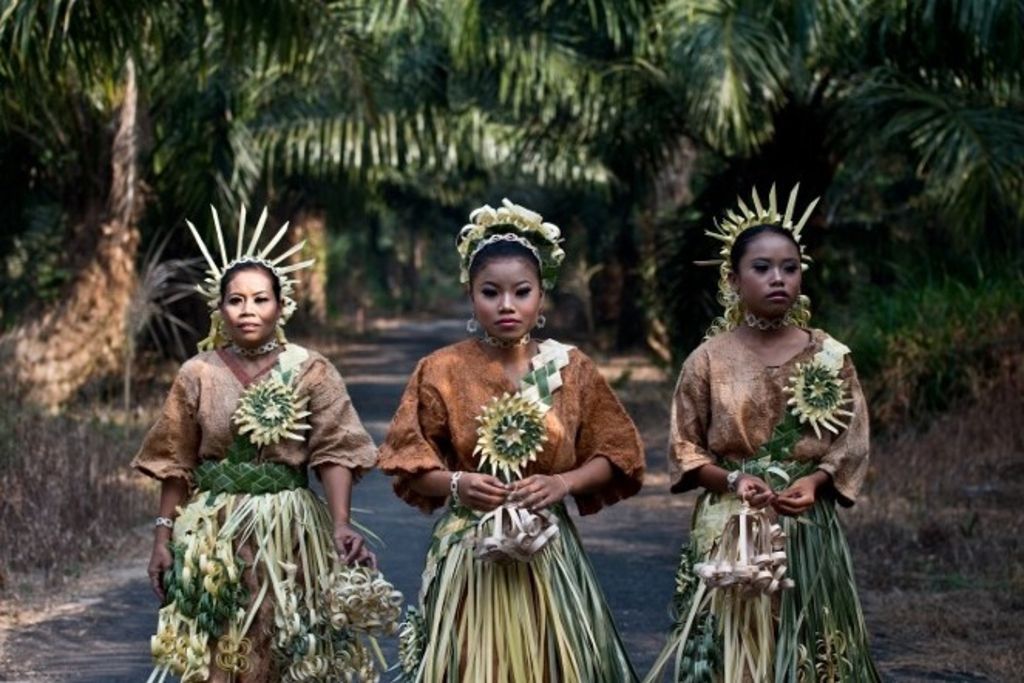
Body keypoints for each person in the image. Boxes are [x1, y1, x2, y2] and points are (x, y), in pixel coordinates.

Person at [379, 199, 646, 683]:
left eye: (521, 292)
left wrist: (563, 484)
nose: (507, 305)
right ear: (469, 294)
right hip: (470, 551)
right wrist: (457, 484)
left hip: (546, 550)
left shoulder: (572, 368)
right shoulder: (441, 369)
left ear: (542, 295)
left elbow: (618, 453)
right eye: (490, 292)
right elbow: (408, 459)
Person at [132, 206, 401, 683]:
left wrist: (340, 525)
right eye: (236, 300)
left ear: (281, 306)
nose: (248, 310)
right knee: (221, 649)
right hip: (212, 537)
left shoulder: (310, 369)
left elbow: (335, 451)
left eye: (260, 299)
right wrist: (162, 537)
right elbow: (176, 461)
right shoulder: (198, 373)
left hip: (289, 534)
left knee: (288, 646)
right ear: (220, 308)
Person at [645, 185, 880, 682]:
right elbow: (684, 446)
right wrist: (732, 482)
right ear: (733, 279)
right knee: (729, 651)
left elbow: (852, 439)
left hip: (805, 528)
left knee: (807, 647)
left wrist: (815, 483)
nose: (779, 278)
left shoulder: (830, 356)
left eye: (790, 267)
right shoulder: (708, 359)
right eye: (762, 268)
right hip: (729, 529)